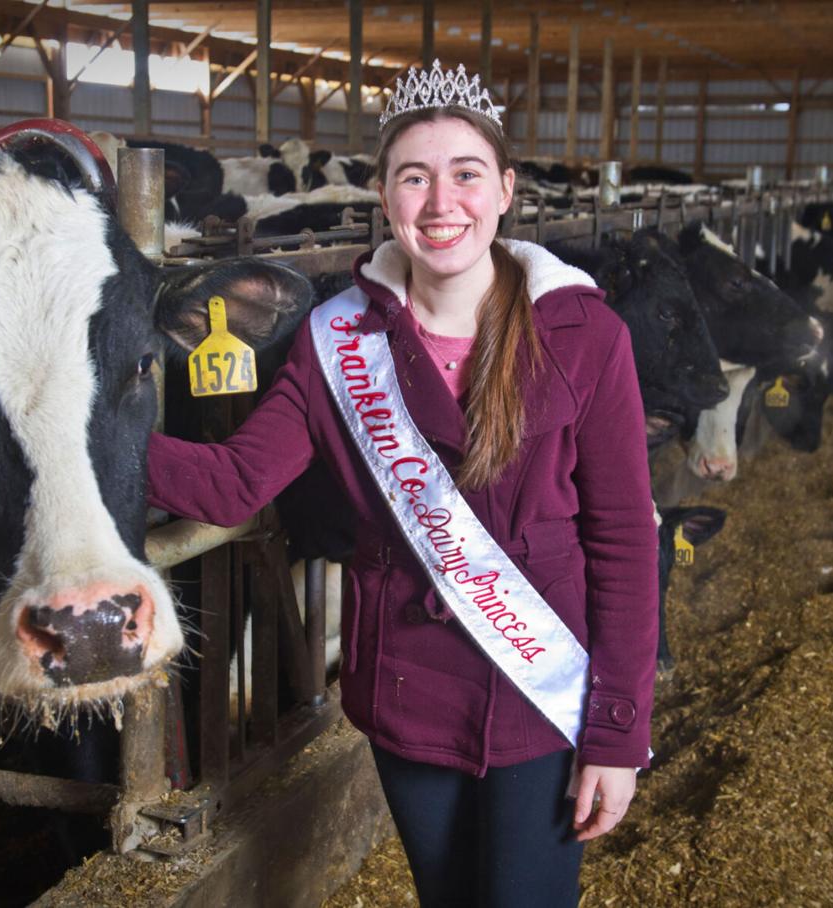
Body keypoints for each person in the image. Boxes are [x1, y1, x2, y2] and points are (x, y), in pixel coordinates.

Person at [147, 60, 657, 908]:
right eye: (413, 178)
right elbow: (236, 484)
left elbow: (622, 537)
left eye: (464, 175)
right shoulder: (335, 340)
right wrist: (86, 438)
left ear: (504, 190)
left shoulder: (583, 332)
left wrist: (616, 731)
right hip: (407, 694)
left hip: (542, 690)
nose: (439, 203)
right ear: (384, 198)